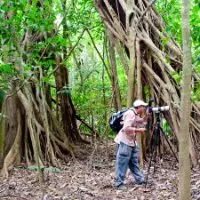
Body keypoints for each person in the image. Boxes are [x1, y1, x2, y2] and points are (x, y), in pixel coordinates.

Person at [114, 99, 149, 190]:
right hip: (125, 141)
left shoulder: (135, 114)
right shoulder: (130, 113)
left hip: (132, 142)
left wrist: (146, 116)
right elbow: (126, 128)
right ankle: (119, 183)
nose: (144, 108)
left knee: (133, 162)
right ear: (139, 107)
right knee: (122, 162)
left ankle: (139, 179)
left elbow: (142, 122)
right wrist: (138, 130)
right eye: (143, 107)